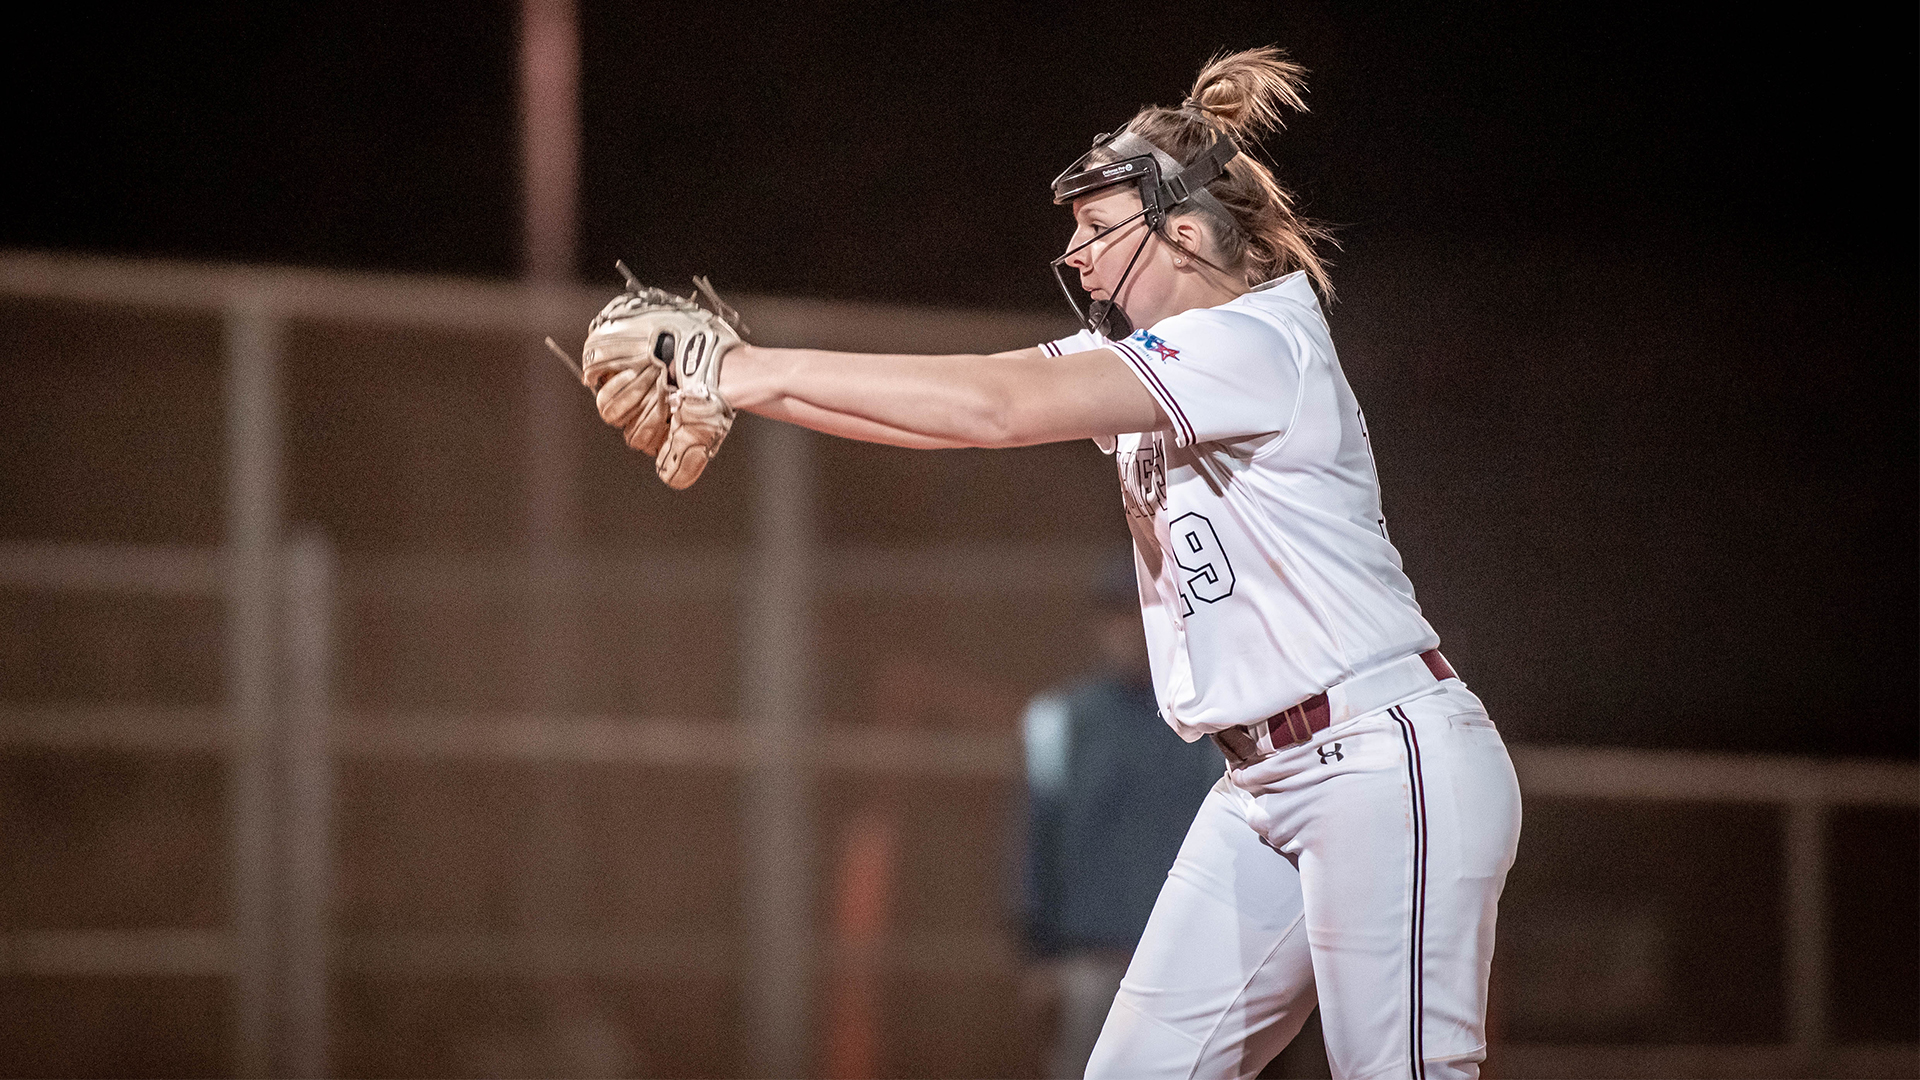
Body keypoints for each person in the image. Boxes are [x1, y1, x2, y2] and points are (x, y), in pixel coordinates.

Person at [594, 45, 1522, 1080]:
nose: (1074, 254)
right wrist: (741, 387)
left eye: (1095, 225)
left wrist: (734, 364)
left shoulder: (1255, 341)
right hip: (1264, 786)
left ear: (1180, 228)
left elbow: (994, 412)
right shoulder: (1159, 359)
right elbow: (962, 404)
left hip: (1379, 762)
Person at [1019, 561, 1224, 1079]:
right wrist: (1038, 957)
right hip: (1091, 963)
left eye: (1141, 613)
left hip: (1192, 968)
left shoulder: (1210, 719)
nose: (1129, 630)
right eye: (1116, 616)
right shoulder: (1060, 720)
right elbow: (1033, 844)